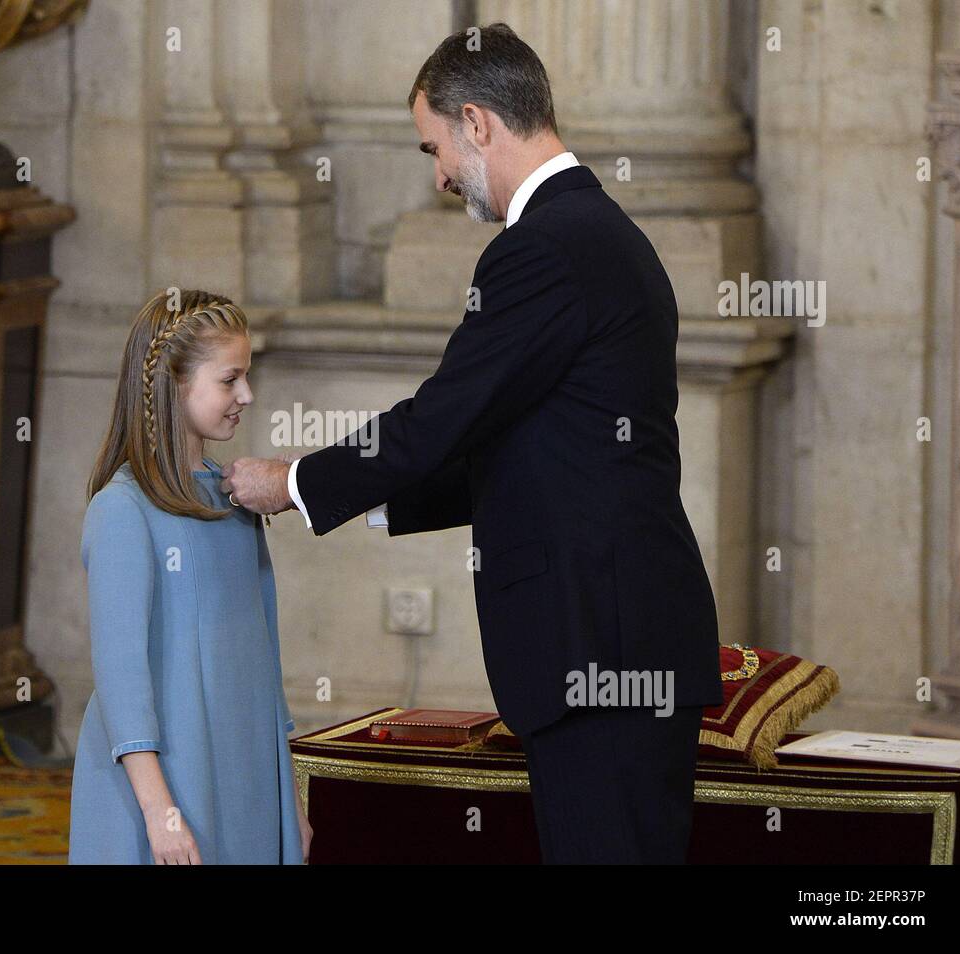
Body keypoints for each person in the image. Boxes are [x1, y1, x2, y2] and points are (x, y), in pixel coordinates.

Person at [221, 23, 723, 863]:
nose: (441, 175)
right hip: (626, 638)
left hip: (596, 649)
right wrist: (383, 506)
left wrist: (297, 482)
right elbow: (519, 446)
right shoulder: (606, 234)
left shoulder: (539, 251)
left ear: (478, 122)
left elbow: (440, 420)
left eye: (434, 148)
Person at [69, 288, 309, 864]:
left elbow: (265, 655)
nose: (246, 395)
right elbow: (121, 682)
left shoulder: (235, 500)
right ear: (173, 386)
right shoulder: (122, 511)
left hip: (246, 770)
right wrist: (161, 814)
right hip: (164, 786)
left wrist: (291, 799)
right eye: (230, 380)